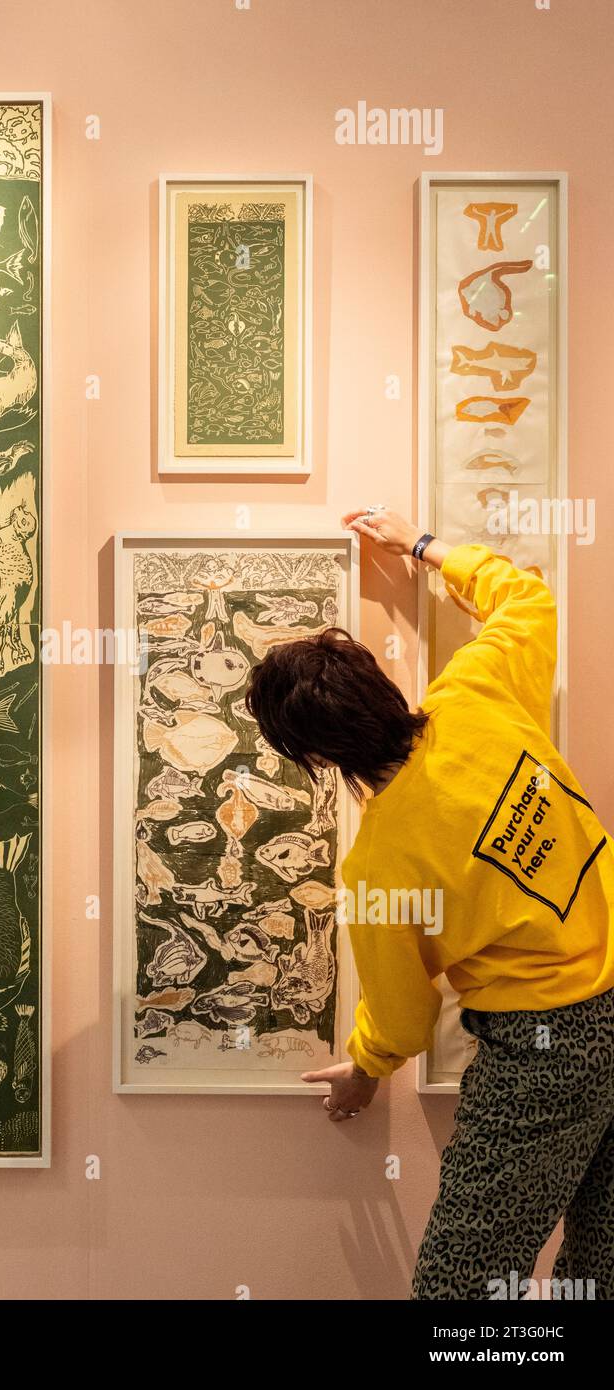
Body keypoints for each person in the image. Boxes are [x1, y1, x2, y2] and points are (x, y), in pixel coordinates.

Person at [244, 507, 614, 1299]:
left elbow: (406, 1018)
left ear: (313, 757)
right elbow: (525, 598)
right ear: (381, 682)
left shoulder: (378, 862)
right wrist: (421, 545)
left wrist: (366, 1068)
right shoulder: (475, 692)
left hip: (550, 1048)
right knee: (603, 1264)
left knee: (460, 1291)